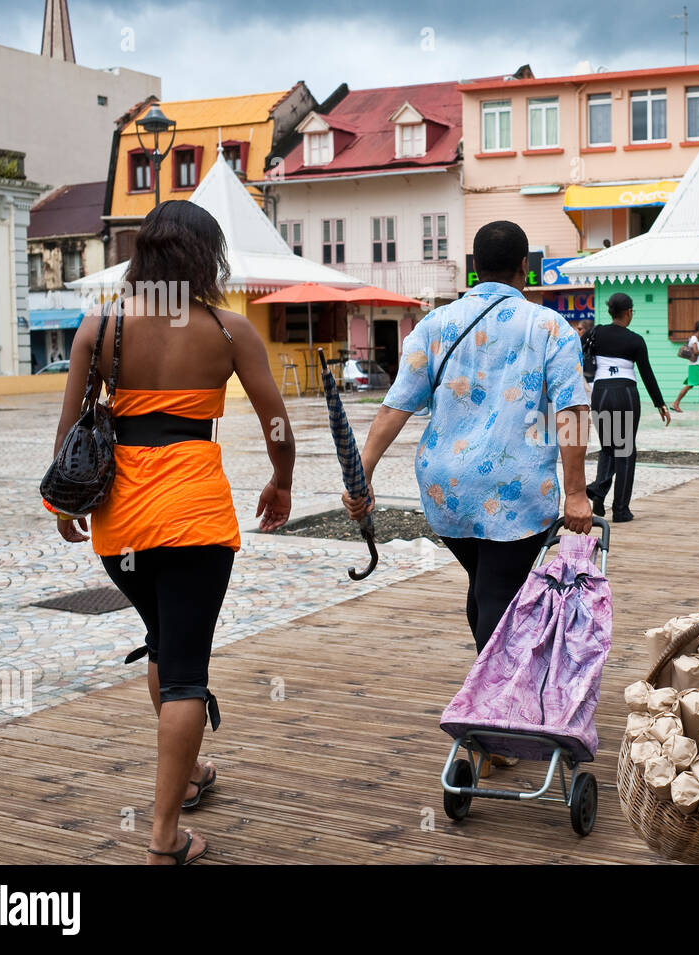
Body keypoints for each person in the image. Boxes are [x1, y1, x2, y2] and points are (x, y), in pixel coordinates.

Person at [52, 200, 295, 865]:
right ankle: (164, 838)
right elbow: (277, 423)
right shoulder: (228, 329)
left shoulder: (99, 327)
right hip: (195, 518)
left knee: (163, 640)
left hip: (120, 524)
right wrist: (282, 480)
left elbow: (70, 429)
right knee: (186, 669)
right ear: (206, 258)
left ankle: (187, 774)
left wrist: (62, 505)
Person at [342, 219, 591, 666]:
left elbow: (394, 407)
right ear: (524, 267)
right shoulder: (550, 327)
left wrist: (362, 476)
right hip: (514, 489)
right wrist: (575, 492)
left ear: (475, 266)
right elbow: (572, 412)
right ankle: (490, 709)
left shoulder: (434, 324)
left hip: (447, 487)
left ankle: (490, 694)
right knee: (496, 589)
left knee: (484, 582)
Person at [583, 292, 671, 522]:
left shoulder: (595, 333)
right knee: (625, 451)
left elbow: (578, 354)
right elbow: (646, 373)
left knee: (608, 448)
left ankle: (598, 496)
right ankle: (620, 510)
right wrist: (659, 402)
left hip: (600, 393)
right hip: (625, 394)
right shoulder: (635, 340)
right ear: (629, 312)